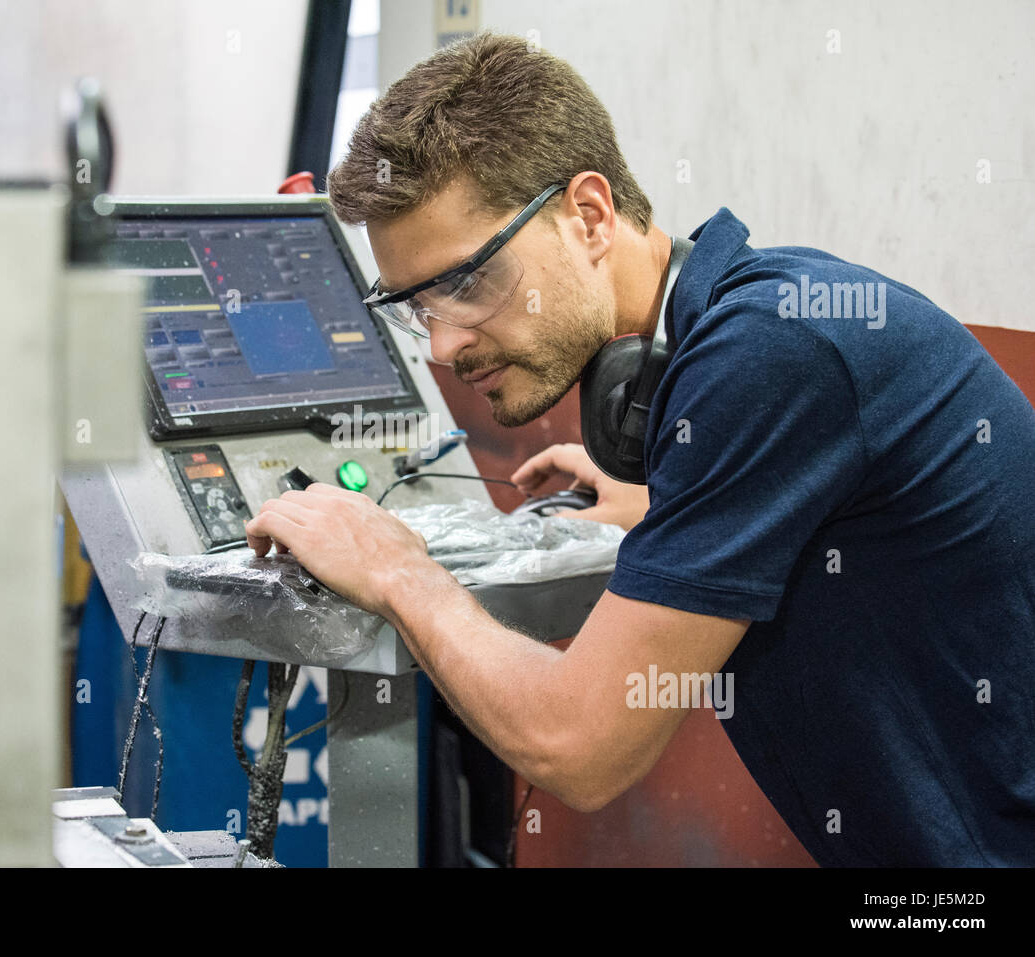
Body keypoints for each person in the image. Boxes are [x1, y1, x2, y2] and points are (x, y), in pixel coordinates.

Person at [244, 33, 1035, 866]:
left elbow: (577, 747)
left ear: (588, 215)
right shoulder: (762, 312)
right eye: (415, 306)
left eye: (468, 282)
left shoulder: (770, 356)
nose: (443, 344)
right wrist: (669, 508)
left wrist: (396, 566)